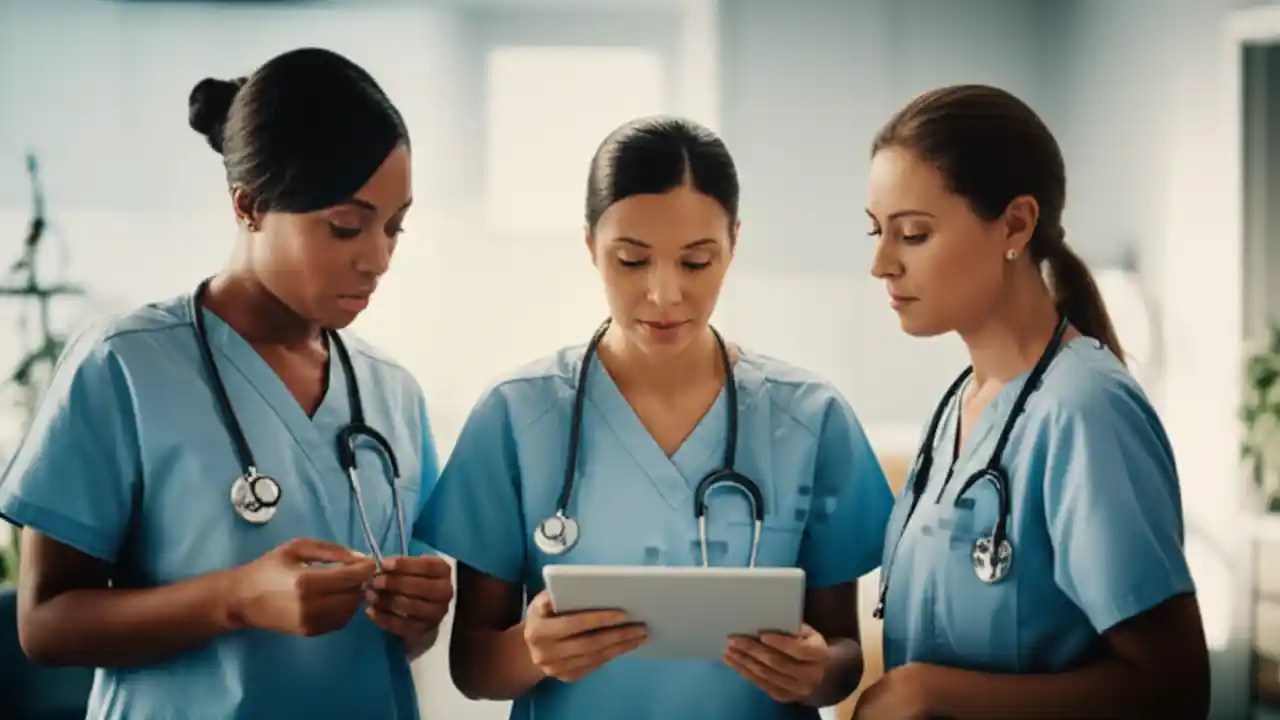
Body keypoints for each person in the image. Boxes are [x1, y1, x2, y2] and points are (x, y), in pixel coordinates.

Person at [0, 47, 451, 719]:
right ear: (248, 205)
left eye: (395, 226)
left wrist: (419, 614)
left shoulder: (393, 395)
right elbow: (46, 627)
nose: (378, 258)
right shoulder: (124, 366)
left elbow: (400, 642)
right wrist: (237, 599)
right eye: (346, 227)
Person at [416, 115, 894, 719]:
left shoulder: (809, 418)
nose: (664, 295)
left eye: (696, 263)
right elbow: (474, 667)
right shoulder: (518, 413)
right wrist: (533, 651)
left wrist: (816, 669)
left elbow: (843, 657)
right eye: (632, 260)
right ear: (590, 244)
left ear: (734, 244)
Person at [856, 84, 1211, 719]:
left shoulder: (1084, 411)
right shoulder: (958, 411)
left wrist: (932, 695)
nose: (881, 262)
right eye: (876, 231)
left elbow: (1174, 689)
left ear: (1016, 223)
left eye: (912, 234)